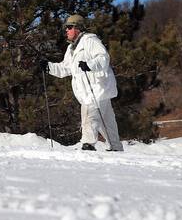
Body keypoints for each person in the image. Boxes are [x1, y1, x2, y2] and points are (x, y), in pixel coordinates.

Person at [41, 13, 122, 152]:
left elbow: (103, 58)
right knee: (105, 122)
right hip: (90, 92)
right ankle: (115, 148)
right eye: (66, 28)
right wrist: (48, 67)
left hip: (96, 88)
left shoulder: (90, 40)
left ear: (77, 28)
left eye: (69, 27)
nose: (66, 30)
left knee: (89, 116)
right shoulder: (71, 48)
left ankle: (88, 144)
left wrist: (90, 64)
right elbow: (65, 68)